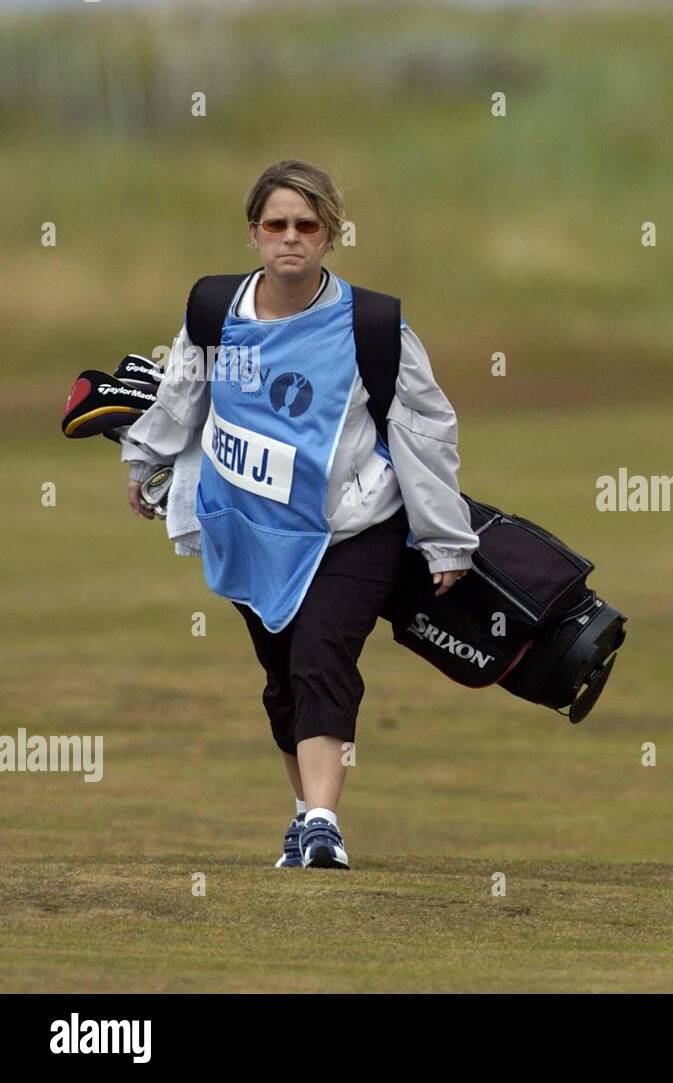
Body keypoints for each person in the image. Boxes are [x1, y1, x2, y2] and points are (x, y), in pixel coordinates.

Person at [121, 160, 478, 870]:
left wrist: (444, 540)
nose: (291, 238)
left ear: (330, 234)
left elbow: (423, 431)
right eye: (277, 224)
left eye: (307, 226)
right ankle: (304, 814)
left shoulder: (373, 325)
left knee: (323, 654)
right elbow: (182, 394)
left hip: (355, 527)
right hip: (249, 528)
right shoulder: (214, 311)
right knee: (282, 674)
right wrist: (144, 462)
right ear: (254, 232)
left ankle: (323, 822)